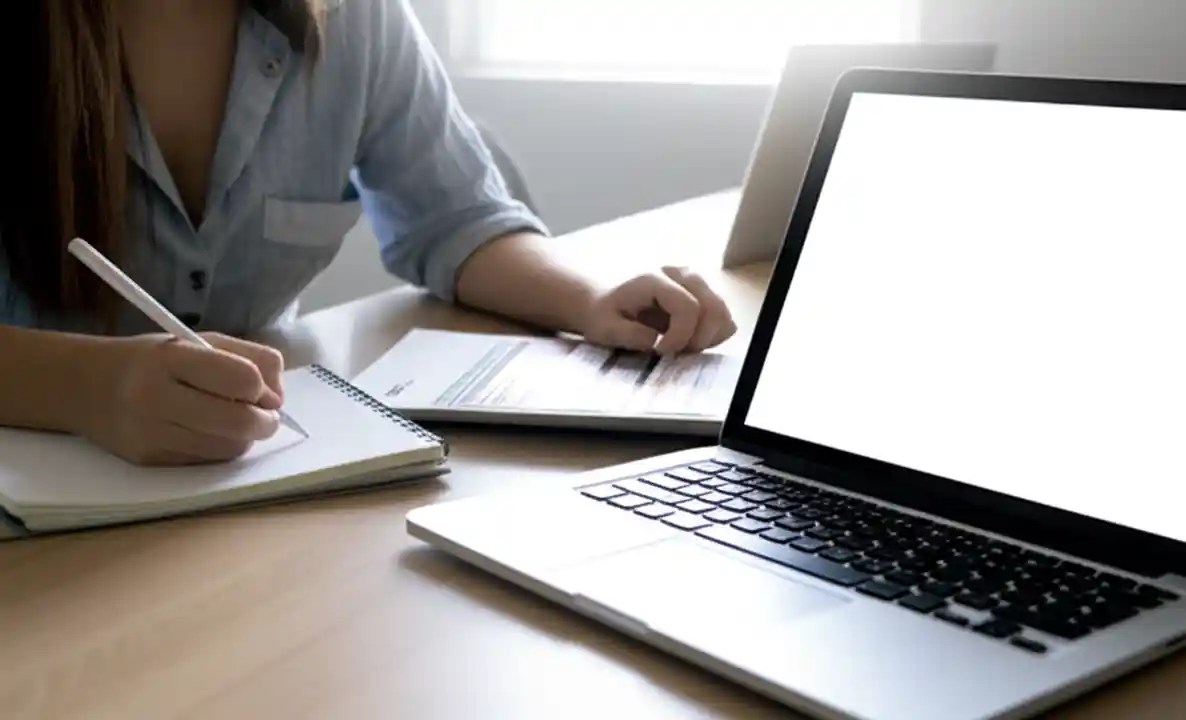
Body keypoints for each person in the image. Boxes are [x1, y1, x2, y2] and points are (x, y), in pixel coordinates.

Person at [0, 0, 737, 466]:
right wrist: (82, 386)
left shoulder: (354, 17)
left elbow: (456, 218)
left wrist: (591, 297)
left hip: (260, 475)